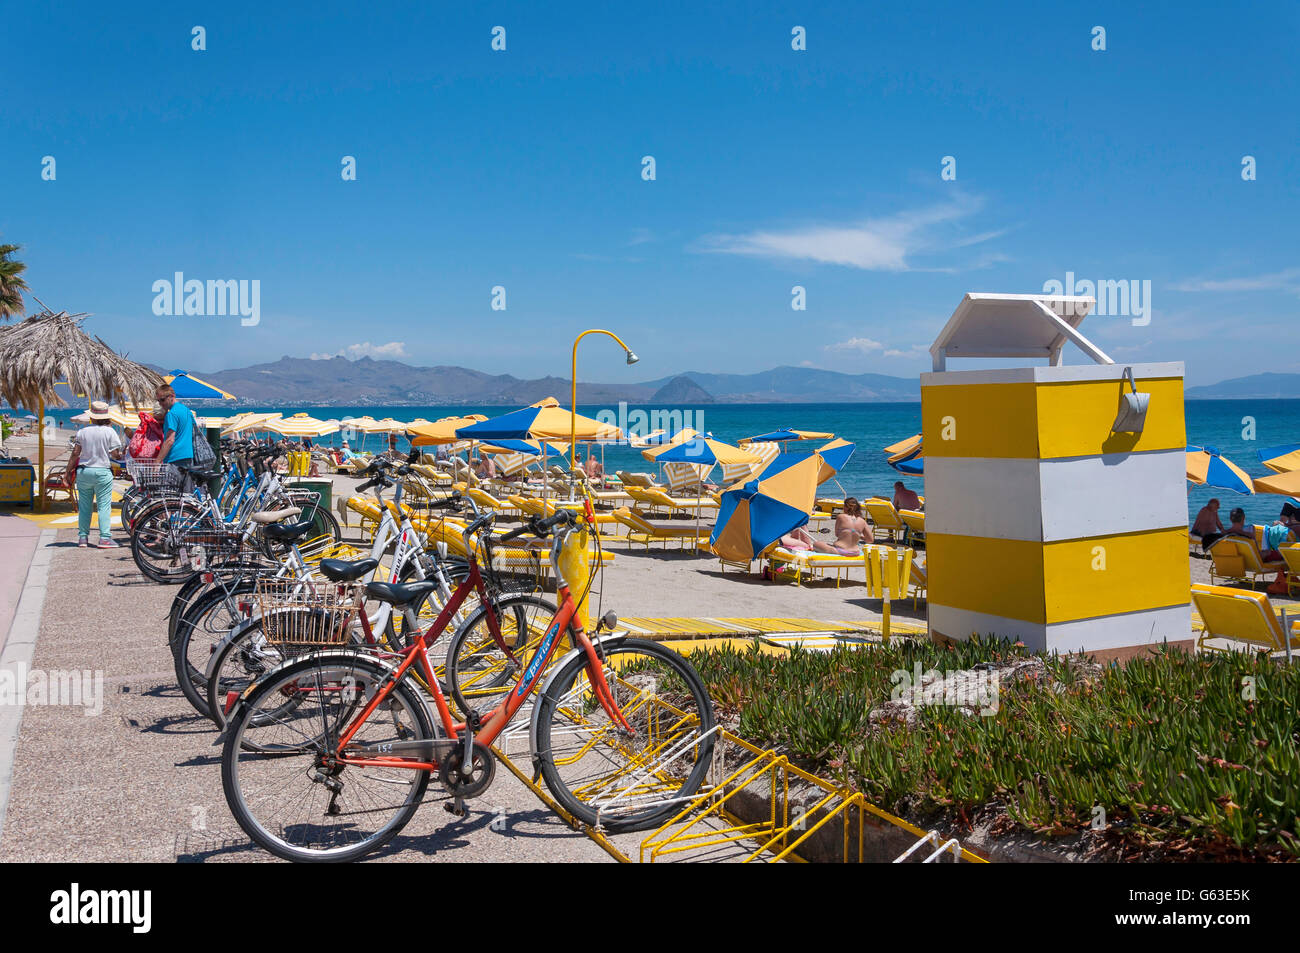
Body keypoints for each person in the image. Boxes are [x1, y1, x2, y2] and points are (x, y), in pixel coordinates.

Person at [68, 401, 124, 547]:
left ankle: (83, 538)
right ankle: (104, 538)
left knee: (84, 506)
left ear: (91, 417)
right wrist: (120, 454)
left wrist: (68, 471)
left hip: (84, 471)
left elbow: (75, 453)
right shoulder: (110, 432)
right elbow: (115, 454)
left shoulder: (82, 432)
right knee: (103, 506)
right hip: (102, 472)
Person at [154, 384, 195, 490]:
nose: (160, 404)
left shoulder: (171, 414)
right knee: (186, 497)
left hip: (174, 458)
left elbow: (169, 440)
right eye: (158, 401)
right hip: (188, 458)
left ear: (172, 396)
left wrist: (158, 461)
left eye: (162, 400)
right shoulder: (186, 410)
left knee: (170, 497)